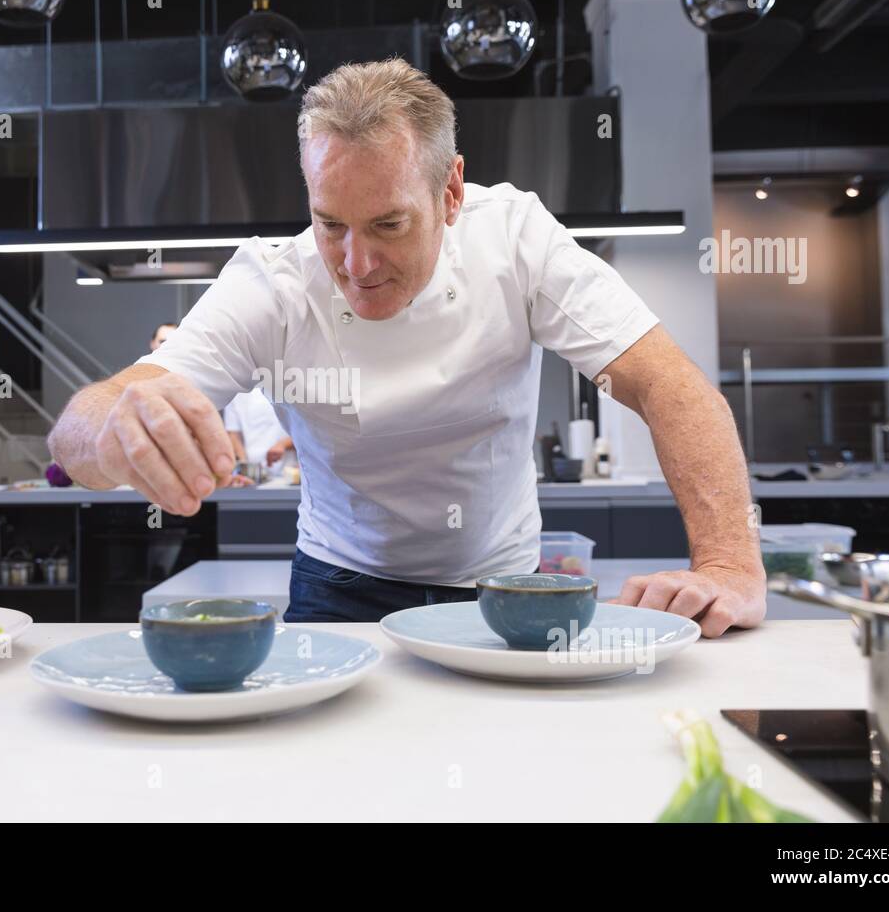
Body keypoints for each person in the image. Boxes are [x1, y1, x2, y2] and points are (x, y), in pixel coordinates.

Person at [49, 58, 764, 635]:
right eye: (331, 224)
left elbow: (666, 384)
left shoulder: (514, 238)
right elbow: (81, 426)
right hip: (337, 584)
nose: (355, 264)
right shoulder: (274, 281)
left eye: (389, 224)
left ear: (450, 193)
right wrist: (114, 424)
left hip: (504, 587)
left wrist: (729, 564)